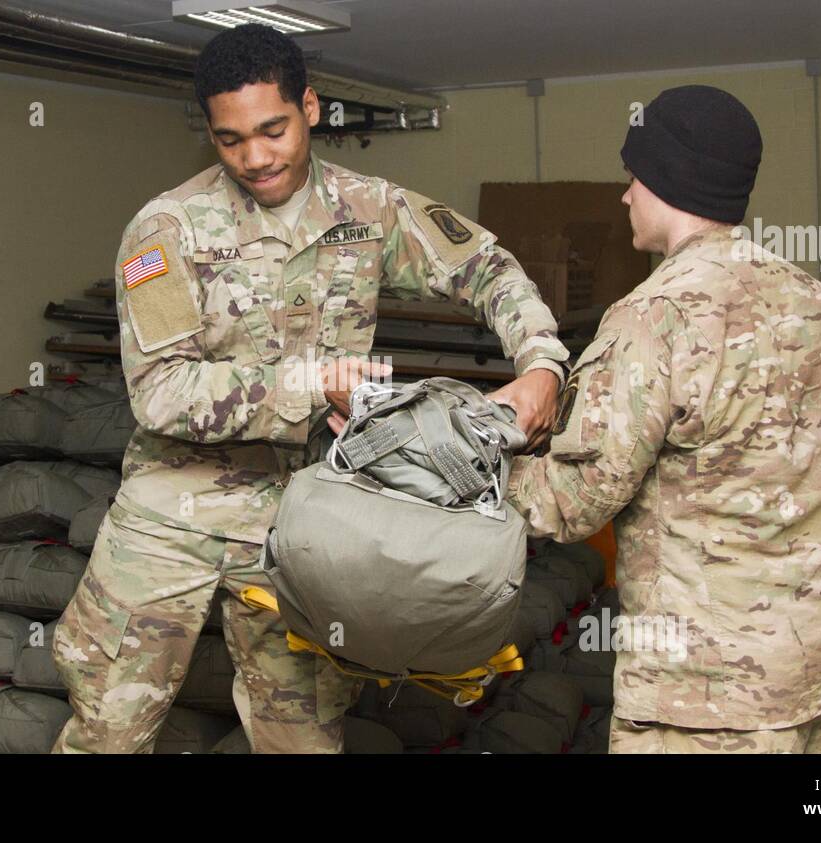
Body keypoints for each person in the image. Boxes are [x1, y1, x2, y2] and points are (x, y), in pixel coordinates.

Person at [53, 23, 569, 754]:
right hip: (169, 520)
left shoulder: (370, 209)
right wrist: (306, 384)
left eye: (273, 129)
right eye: (231, 140)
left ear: (312, 108)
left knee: (303, 739)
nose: (256, 157)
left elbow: (486, 266)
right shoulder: (166, 231)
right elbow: (162, 392)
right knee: (106, 732)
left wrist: (542, 363)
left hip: (302, 524)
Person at [507, 85, 821, 753]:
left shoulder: (652, 317)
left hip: (705, 704)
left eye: (632, 176)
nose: (624, 195)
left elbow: (573, 503)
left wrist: (477, 464)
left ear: (665, 180)